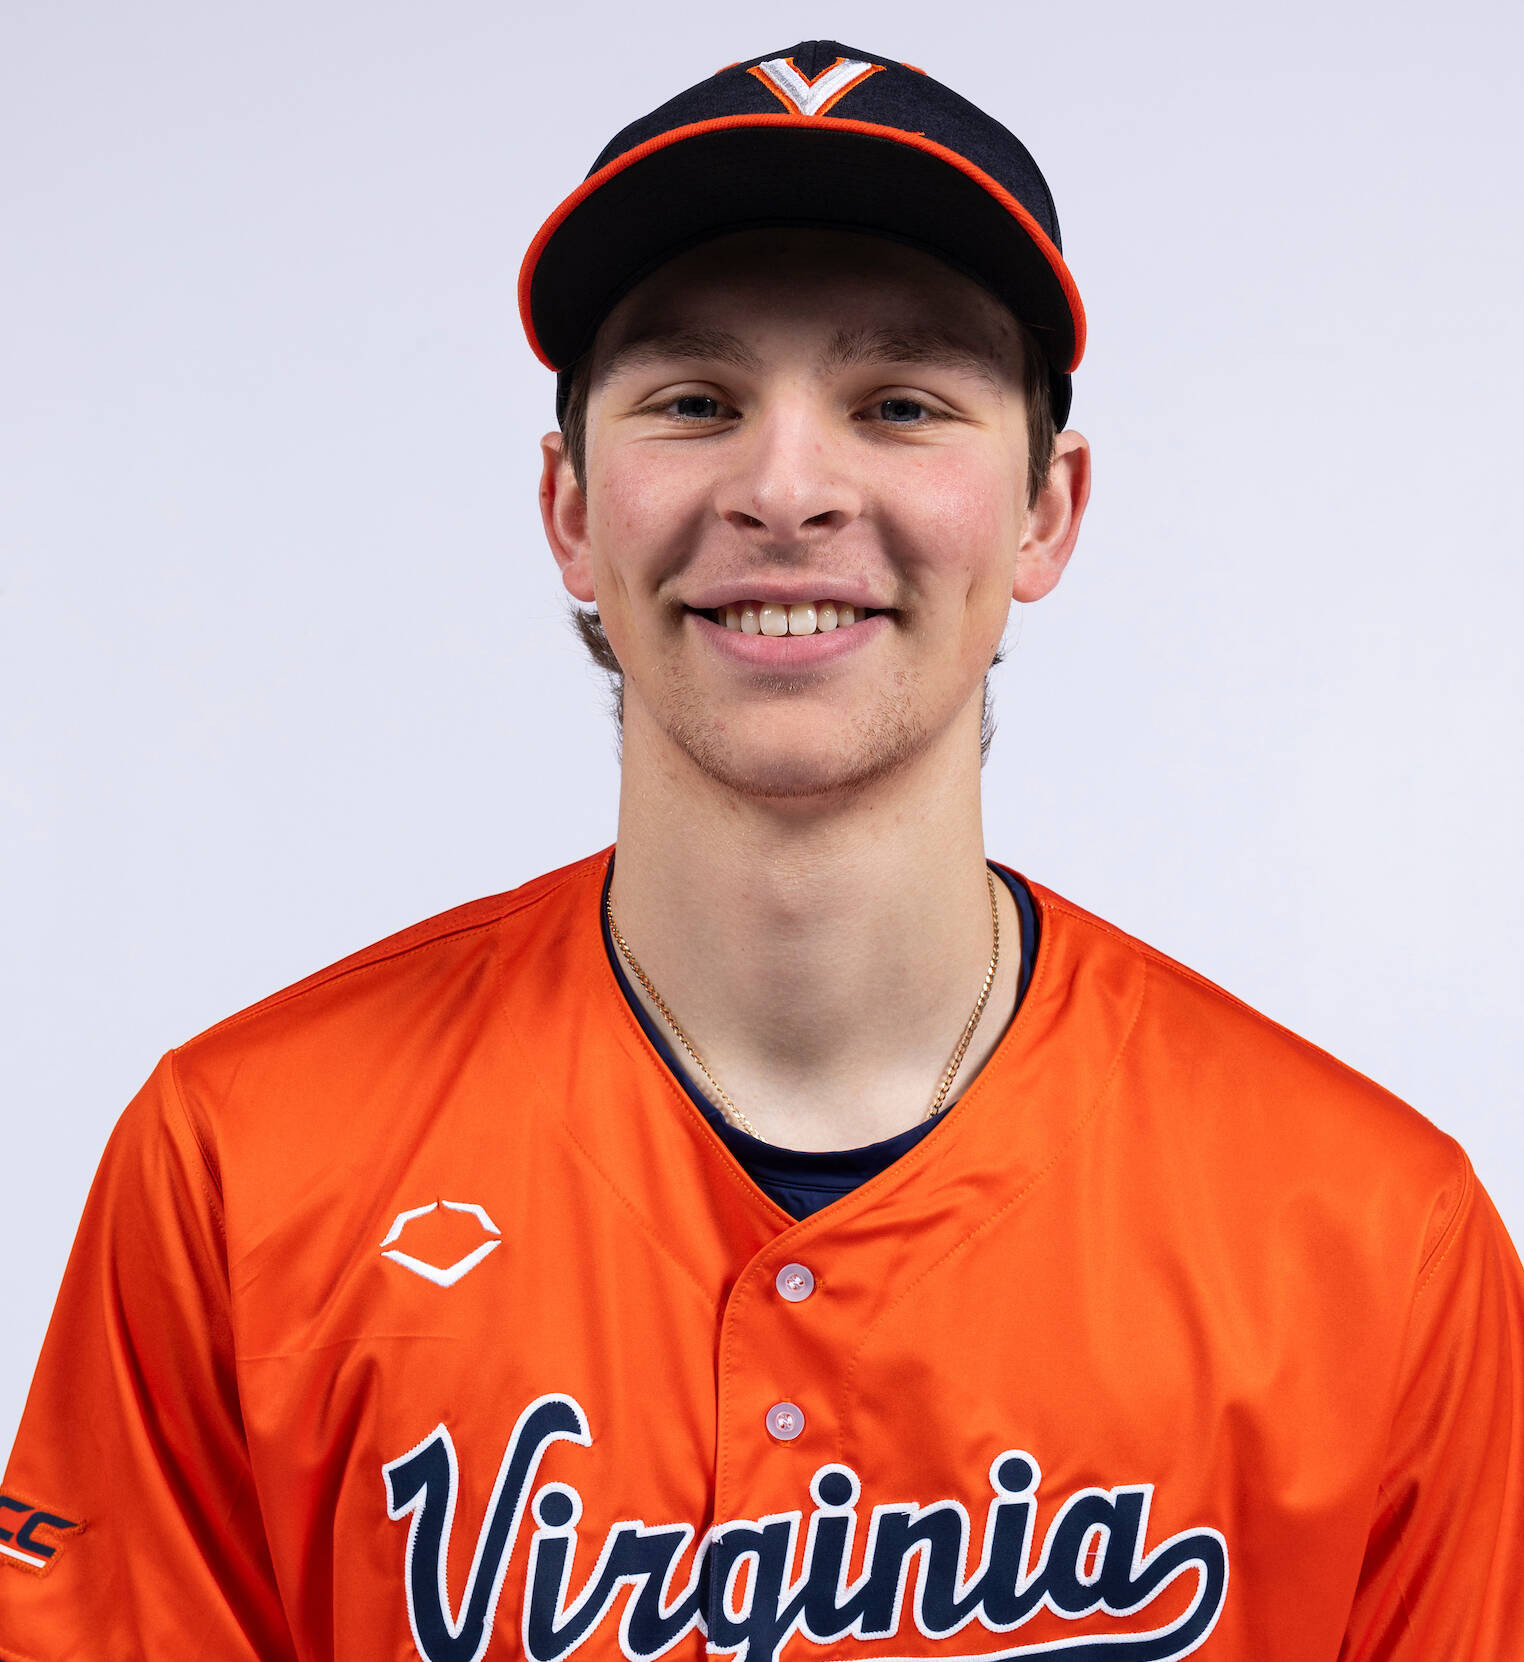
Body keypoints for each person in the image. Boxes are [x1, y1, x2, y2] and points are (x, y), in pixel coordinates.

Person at [2, 38, 1520, 1662]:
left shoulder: (1374, 1240)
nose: (787, 490)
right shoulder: (240, 1173)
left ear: (1046, 511)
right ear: (571, 507)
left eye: (902, 404)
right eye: (695, 403)